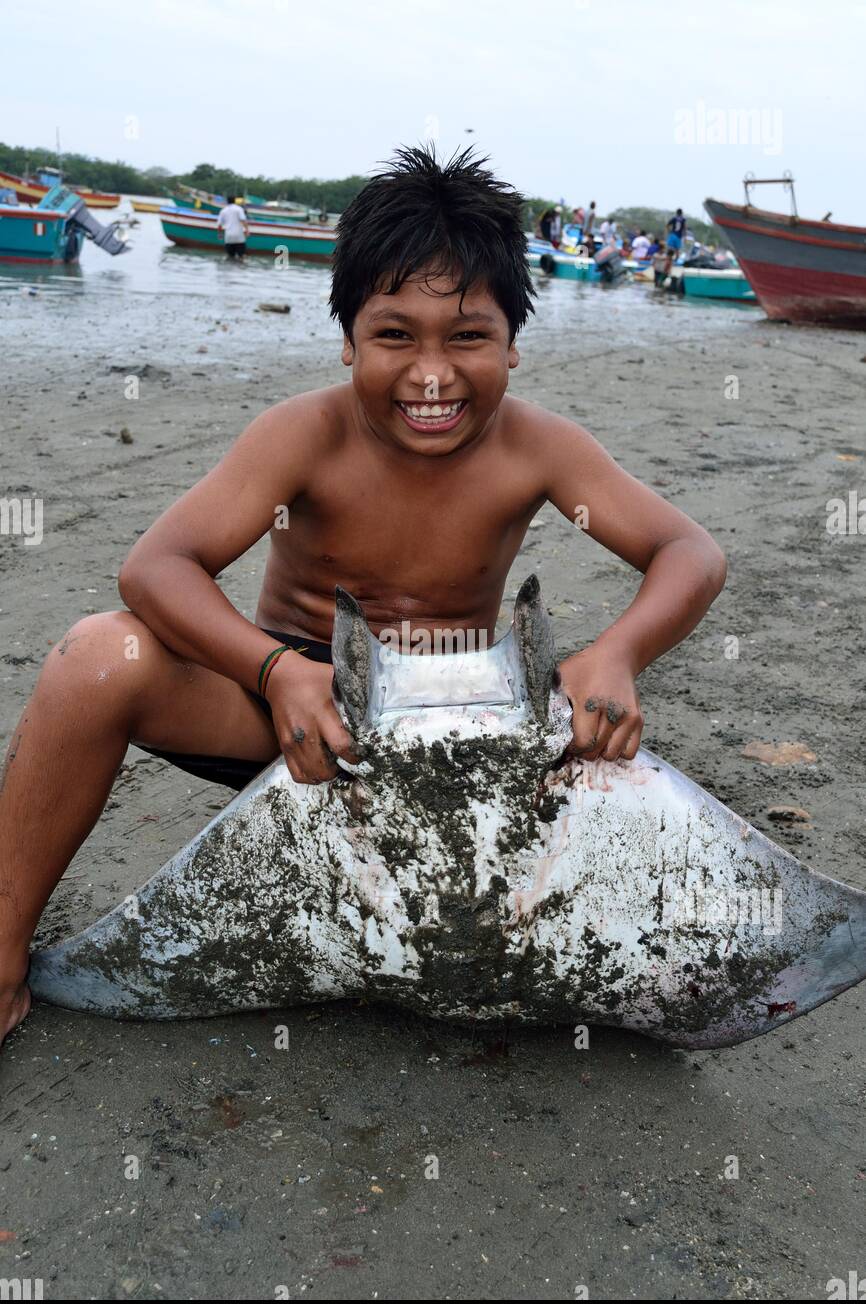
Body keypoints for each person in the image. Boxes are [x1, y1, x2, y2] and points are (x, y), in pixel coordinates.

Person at [0, 146, 727, 1042]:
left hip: (464, 733)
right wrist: (273, 672)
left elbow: (689, 551)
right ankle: (3, 958)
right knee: (93, 658)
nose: (432, 375)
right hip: (295, 712)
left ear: (513, 342)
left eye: (468, 336)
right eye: (394, 336)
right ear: (348, 339)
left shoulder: (541, 447)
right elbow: (157, 567)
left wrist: (616, 654)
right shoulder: (303, 434)